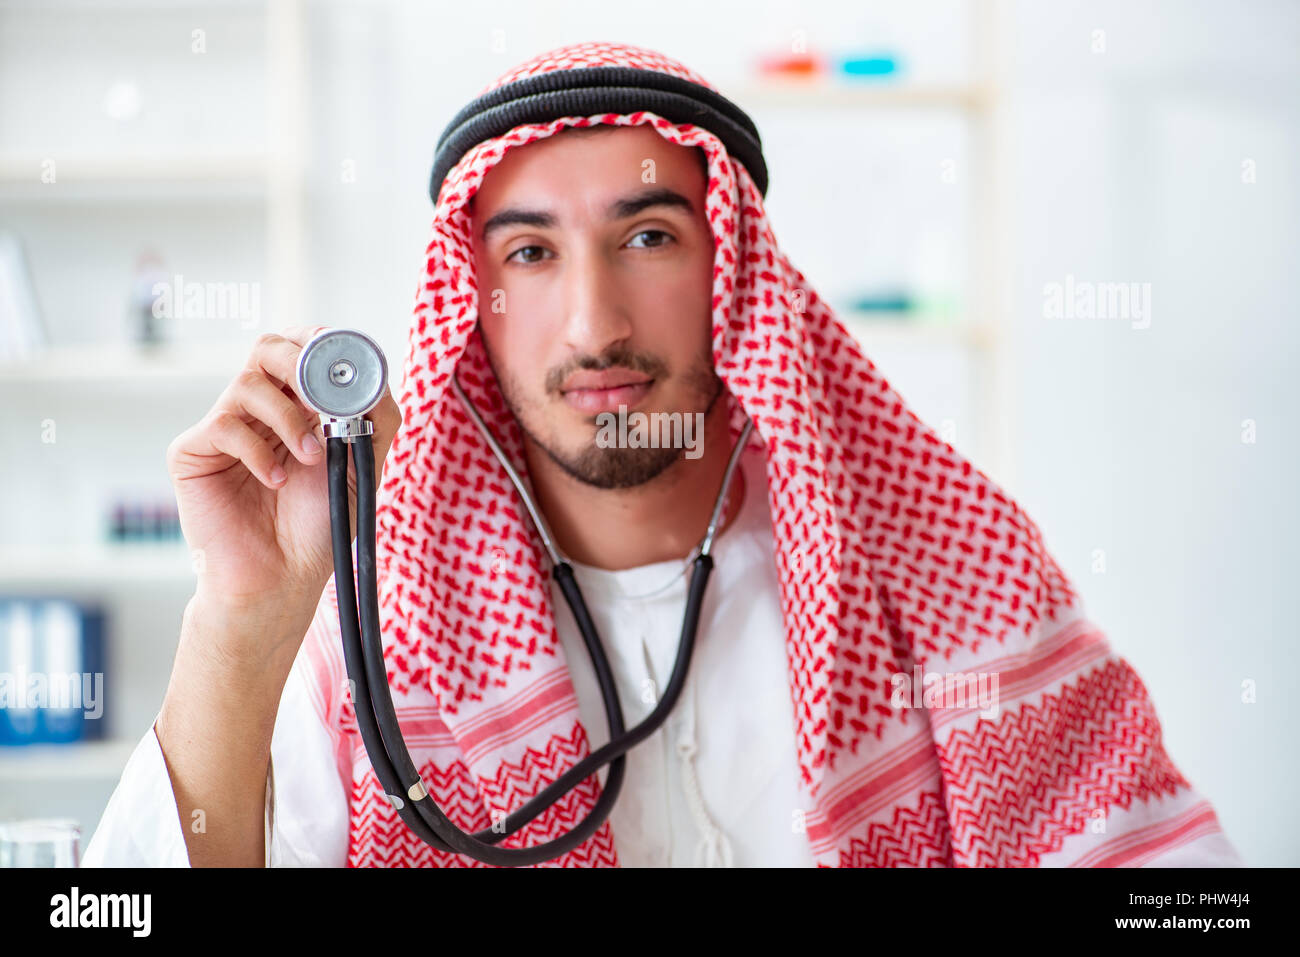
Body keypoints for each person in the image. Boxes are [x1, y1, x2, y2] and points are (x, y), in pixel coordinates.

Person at [84, 40, 1242, 868]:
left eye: (646, 237)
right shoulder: (369, 630)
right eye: (529, 254)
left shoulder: (951, 579)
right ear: (473, 305)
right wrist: (238, 621)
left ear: (735, 276)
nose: (594, 325)